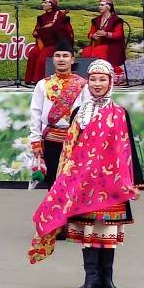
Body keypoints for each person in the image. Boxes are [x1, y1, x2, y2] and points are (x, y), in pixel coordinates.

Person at [28, 60, 144, 288]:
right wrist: (64, 179)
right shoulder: (79, 113)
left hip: (112, 184)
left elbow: (128, 148)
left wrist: (135, 182)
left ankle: (107, 279)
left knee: (108, 231)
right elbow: (69, 149)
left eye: (102, 79)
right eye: (93, 79)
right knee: (89, 232)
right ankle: (91, 278)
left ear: (110, 82)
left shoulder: (120, 113)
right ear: (87, 82)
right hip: (84, 183)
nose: (97, 84)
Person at [28, 39, 88, 191]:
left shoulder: (83, 84)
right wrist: (35, 141)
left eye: (65, 56)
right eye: (58, 56)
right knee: (53, 183)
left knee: (74, 182)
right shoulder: (42, 84)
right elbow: (35, 113)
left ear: (72, 59)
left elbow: (88, 113)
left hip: (74, 139)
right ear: (53, 59)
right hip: (51, 140)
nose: (61, 59)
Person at [25, 0, 73, 85]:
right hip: (43, 44)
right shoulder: (41, 18)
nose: (43, 4)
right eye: (43, 2)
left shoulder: (61, 16)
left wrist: (52, 29)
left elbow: (67, 33)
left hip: (56, 45)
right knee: (33, 53)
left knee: (43, 56)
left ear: (52, 5)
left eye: (45, 2)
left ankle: (39, 81)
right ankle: (30, 79)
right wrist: (39, 31)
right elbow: (36, 31)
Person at [80, 0, 126, 86]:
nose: (99, 7)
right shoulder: (96, 20)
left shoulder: (117, 20)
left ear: (108, 7)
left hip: (113, 46)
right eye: (99, 5)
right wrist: (93, 36)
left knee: (99, 50)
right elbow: (90, 33)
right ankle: (91, 75)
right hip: (99, 44)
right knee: (86, 50)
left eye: (102, 5)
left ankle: (109, 75)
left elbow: (118, 35)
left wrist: (105, 34)